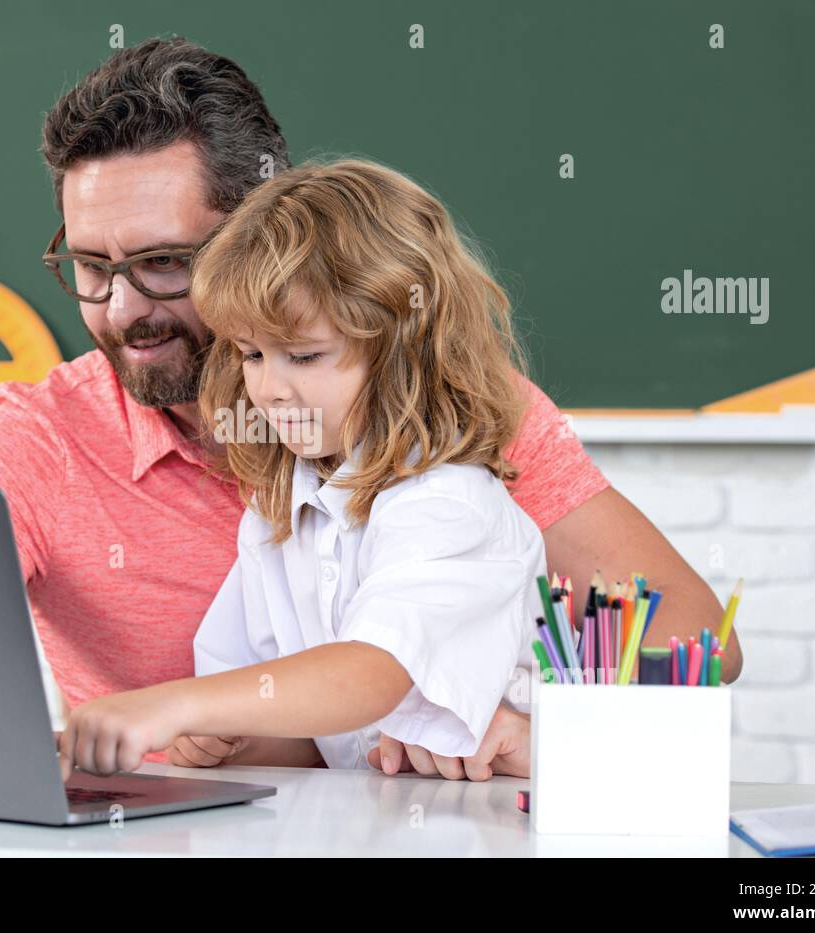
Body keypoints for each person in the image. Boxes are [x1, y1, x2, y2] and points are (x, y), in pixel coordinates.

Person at [0, 36, 740, 787]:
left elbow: (694, 639)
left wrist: (522, 734)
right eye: (88, 265)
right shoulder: (55, 439)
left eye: (166, 265)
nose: (120, 312)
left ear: (267, 236)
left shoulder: (448, 416)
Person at [56, 158, 544, 779]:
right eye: (252, 354)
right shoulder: (283, 510)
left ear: (405, 352)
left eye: (305, 356)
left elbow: (369, 674)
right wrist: (231, 739)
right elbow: (309, 724)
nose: (269, 389)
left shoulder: (447, 501)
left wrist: (169, 705)